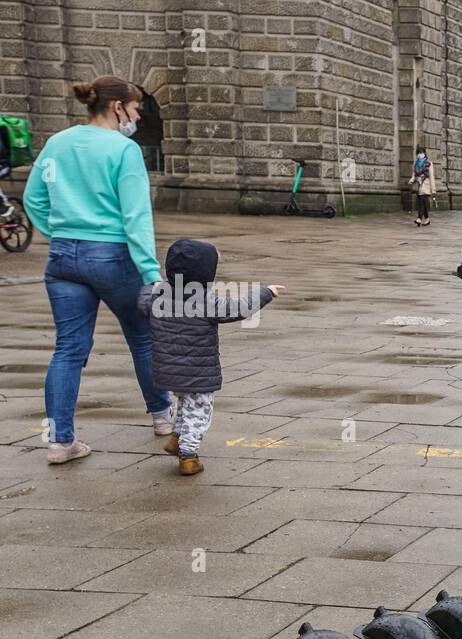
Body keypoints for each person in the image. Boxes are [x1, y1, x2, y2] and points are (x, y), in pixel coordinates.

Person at [23, 75, 173, 465]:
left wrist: (59, 232)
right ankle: (161, 416)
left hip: (63, 256)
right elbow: (136, 216)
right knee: (142, 339)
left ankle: (60, 441)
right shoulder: (124, 150)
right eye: (137, 107)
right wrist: (151, 270)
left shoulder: (57, 142)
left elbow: (33, 197)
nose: (138, 115)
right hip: (112, 254)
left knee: (68, 349)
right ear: (117, 106)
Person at [139, 240, 282, 475]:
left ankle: (176, 439)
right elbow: (239, 308)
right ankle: (188, 456)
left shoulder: (157, 295)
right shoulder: (205, 300)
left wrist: (152, 284)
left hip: (167, 370)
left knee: (185, 403)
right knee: (199, 412)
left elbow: (143, 300)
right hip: (198, 372)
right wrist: (266, 292)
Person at [409, 145, 432, 227]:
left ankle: (419, 218)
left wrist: (433, 189)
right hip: (418, 185)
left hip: (425, 185)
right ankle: (427, 219)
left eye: (421, 152)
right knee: (422, 203)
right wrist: (412, 180)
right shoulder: (416, 163)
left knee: (422, 202)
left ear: (424, 153)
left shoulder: (428, 163)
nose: (419, 154)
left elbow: (431, 176)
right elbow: (414, 174)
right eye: (418, 153)